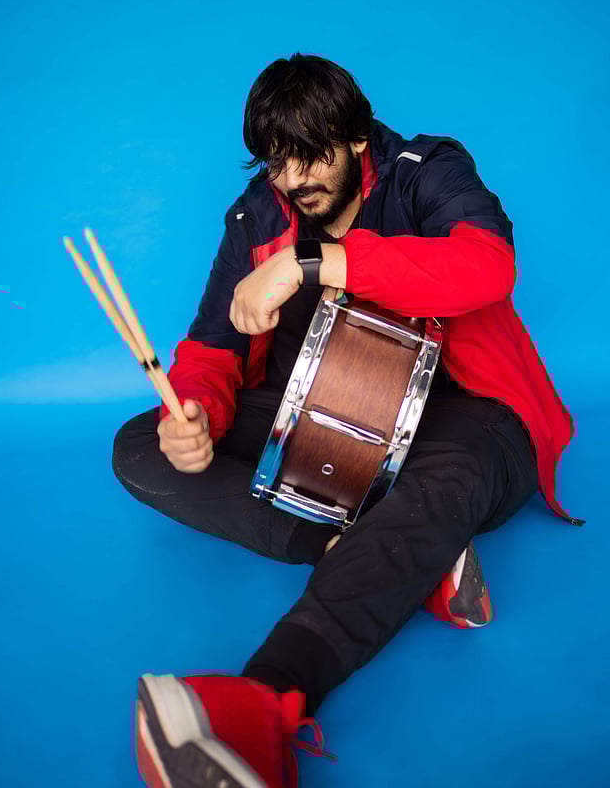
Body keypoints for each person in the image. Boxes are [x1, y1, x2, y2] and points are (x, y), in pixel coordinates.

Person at [112, 53, 583, 788]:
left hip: (466, 417)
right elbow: (211, 347)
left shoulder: (426, 169)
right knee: (143, 445)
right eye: (276, 161)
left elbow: (488, 267)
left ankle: (266, 700)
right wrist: (194, 410)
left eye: (309, 154)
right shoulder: (256, 213)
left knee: (443, 485)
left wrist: (315, 262)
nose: (292, 178)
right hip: (328, 415)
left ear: (358, 136)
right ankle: (351, 548)